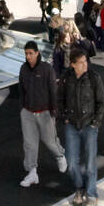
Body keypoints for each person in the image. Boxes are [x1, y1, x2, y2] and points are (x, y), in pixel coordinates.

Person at [58, 47, 104, 206]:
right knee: (71, 162)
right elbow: (60, 99)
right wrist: (64, 117)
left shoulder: (94, 78)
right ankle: (79, 188)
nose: (85, 65)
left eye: (86, 61)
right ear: (73, 64)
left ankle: (92, 194)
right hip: (71, 124)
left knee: (90, 163)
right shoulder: (66, 78)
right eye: (81, 62)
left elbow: (102, 102)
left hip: (89, 125)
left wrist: (95, 122)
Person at [18, 41, 67, 187]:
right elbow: (21, 89)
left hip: (45, 112)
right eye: (26, 54)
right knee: (29, 144)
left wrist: (54, 111)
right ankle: (32, 172)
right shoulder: (23, 69)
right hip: (27, 112)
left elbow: (53, 91)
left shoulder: (46, 69)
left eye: (31, 53)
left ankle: (60, 155)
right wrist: (22, 107)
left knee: (50, 140)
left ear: (37, 53)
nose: (28, 57)